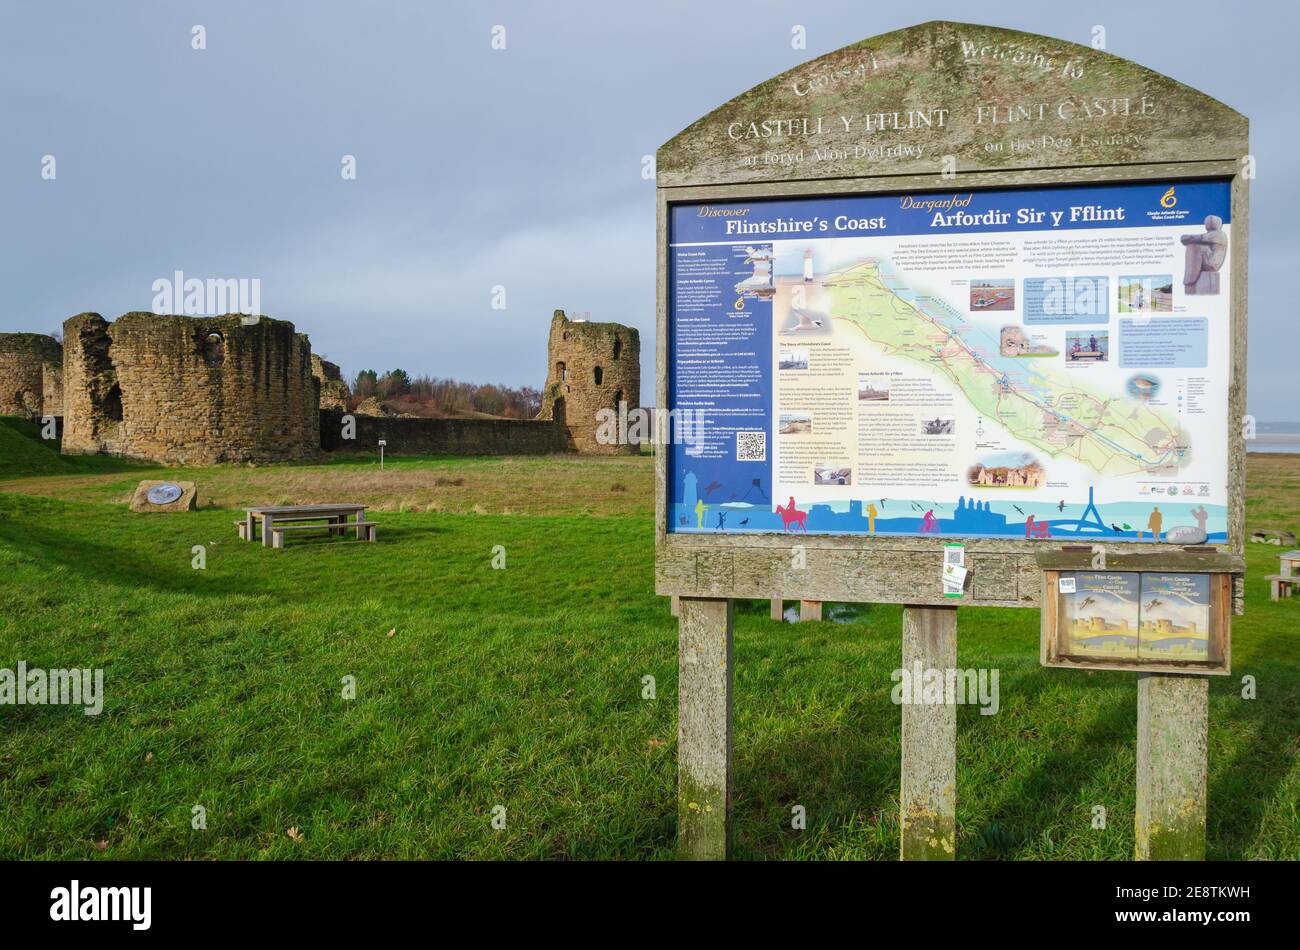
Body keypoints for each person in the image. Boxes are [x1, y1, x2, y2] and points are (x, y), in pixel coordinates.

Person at [1180, 215, 1228, 295]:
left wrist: (1187, 238)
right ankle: (1190, 277)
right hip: (1210, 260)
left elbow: (1198, 238)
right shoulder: (1211, 235)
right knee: (1193, 246)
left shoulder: (1219, 234)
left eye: (1210, 222)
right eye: (1207, 222)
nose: (1208, 224)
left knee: (1195, 247)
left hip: (1213, 263)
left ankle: (1190, 278)